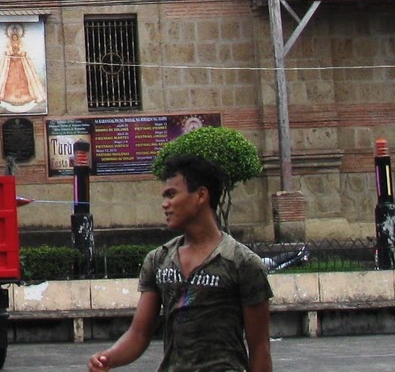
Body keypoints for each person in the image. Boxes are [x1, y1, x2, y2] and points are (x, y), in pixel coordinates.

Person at [87, 154, 272, 372]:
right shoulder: (159, 260)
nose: (165, 204)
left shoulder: (242, 263)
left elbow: (259, 346)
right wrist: (108, 358)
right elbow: (139, 333)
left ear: (201, 195)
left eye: (172, 195)